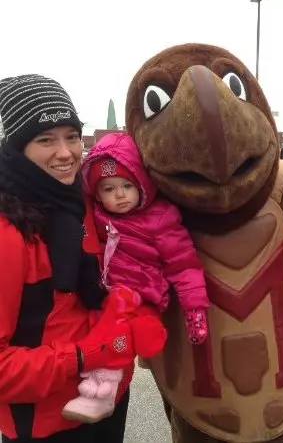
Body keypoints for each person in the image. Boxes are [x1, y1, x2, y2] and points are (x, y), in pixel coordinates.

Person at [0, 74, 164, 443]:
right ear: (16, 148)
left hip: (108, 400)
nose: (66, 152)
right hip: (47, 423)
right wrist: (82, 356)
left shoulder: (87, 202)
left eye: (72, 136)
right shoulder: (8, 231)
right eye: (45, 140)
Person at [65, 132, 210, 422]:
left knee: (116, 331)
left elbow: (184, 265)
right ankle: (95, 382)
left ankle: (102, 394)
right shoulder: (98, 216)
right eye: (108, 188)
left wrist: (195, 309)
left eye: (126, 186)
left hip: (143, 293)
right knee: (100, 327)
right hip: (109, 293)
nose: (118, 195)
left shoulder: (160, 219)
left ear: (142, 184)